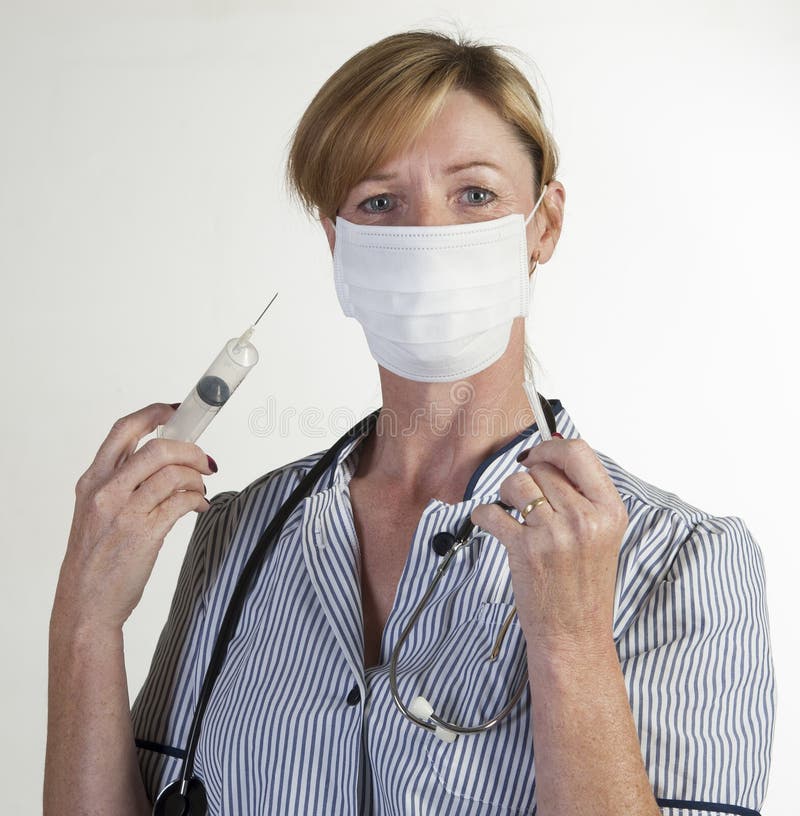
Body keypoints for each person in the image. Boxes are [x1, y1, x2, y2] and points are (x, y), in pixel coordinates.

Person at [44, 30, 775, 816]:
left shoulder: (679, 562)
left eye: (475, 195)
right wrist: (85, 622)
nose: (428, 236)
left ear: (544, 226)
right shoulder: (237, 538)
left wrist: (570, 646)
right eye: (380, 202)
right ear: (339, 244)